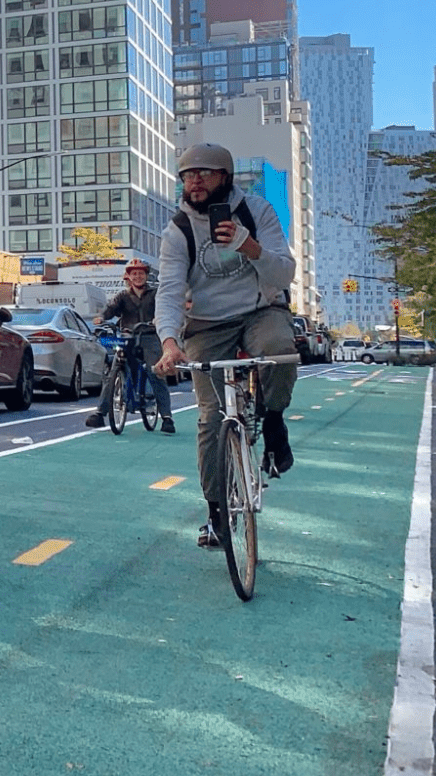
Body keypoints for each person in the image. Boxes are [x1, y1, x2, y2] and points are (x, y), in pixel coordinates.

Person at [152, 143, 298, 549]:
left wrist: (248, 246)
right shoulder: (178, 229)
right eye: (186, 175)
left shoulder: (257, 211)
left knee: (280, 348)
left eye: (204, 173)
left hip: (259, 310)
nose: (194, 181)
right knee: (211, 418)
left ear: (225, 177)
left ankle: (273, 419)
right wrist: (169, 342)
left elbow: (284, 273)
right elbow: (168, 291)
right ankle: (216, 514)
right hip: (207, 325)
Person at [84, 258, 175, 433]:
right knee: (114, 371)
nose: (138, 277)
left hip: (149, 337)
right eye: (134, 274)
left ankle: (167, 418)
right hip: (127, 337)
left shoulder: (155, 294)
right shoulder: (122, 296)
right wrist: (102, 317)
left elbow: (164, 308)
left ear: (146, 275)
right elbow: (110, 308)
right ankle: (99, 414)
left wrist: (158, 320)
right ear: (129, 277)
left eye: (141, 273)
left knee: (155, 372)